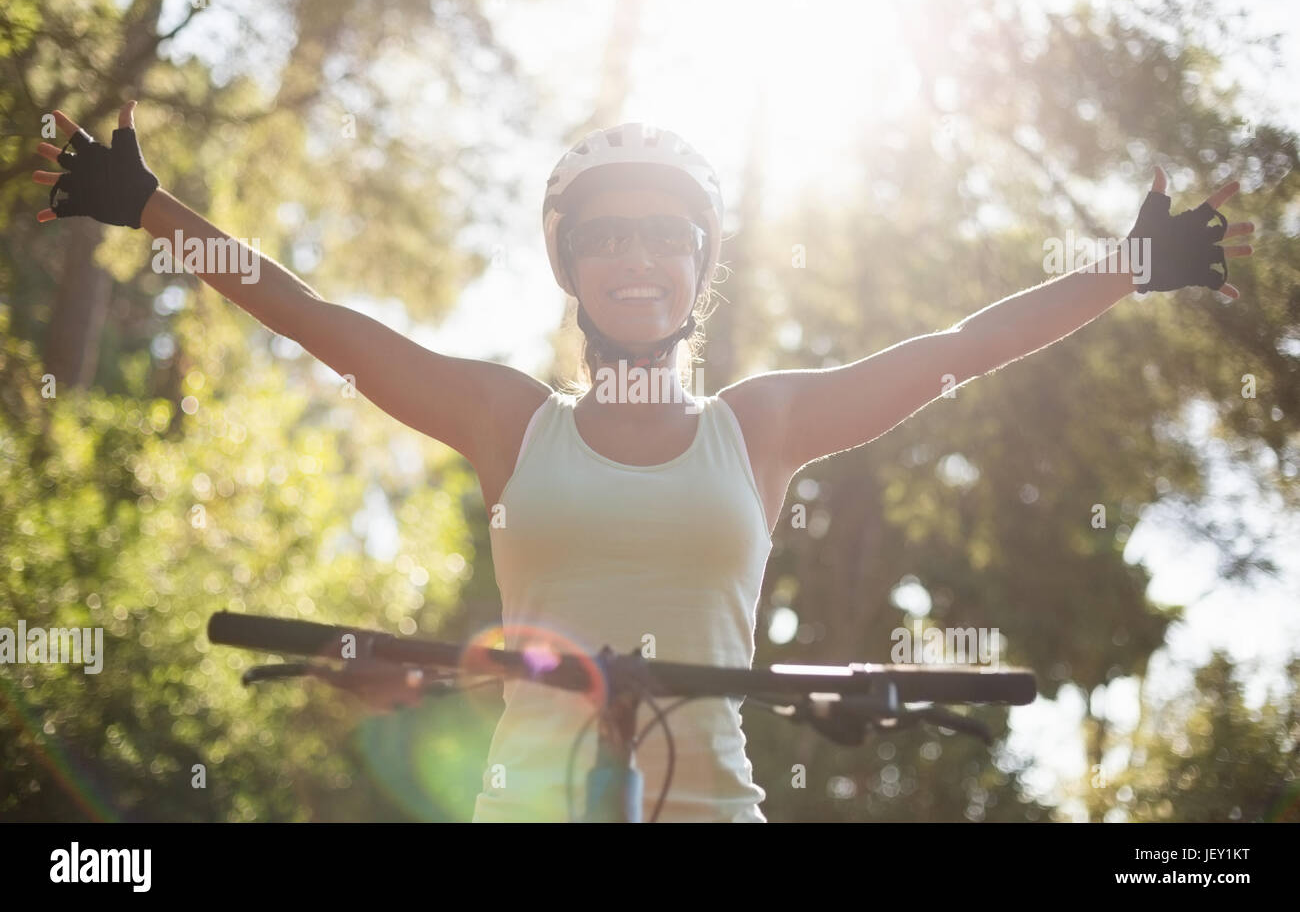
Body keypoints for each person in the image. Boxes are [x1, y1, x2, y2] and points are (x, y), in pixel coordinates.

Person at [32, 103, 1254, 822]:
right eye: (606, 235)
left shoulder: (759, 426)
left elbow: (958, 348)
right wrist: (147, 206)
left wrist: (1125, 265)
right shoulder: (510, 418)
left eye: (664, 235)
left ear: (696, 267)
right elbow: (318, 319)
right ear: (571, 266)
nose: (635, 257)